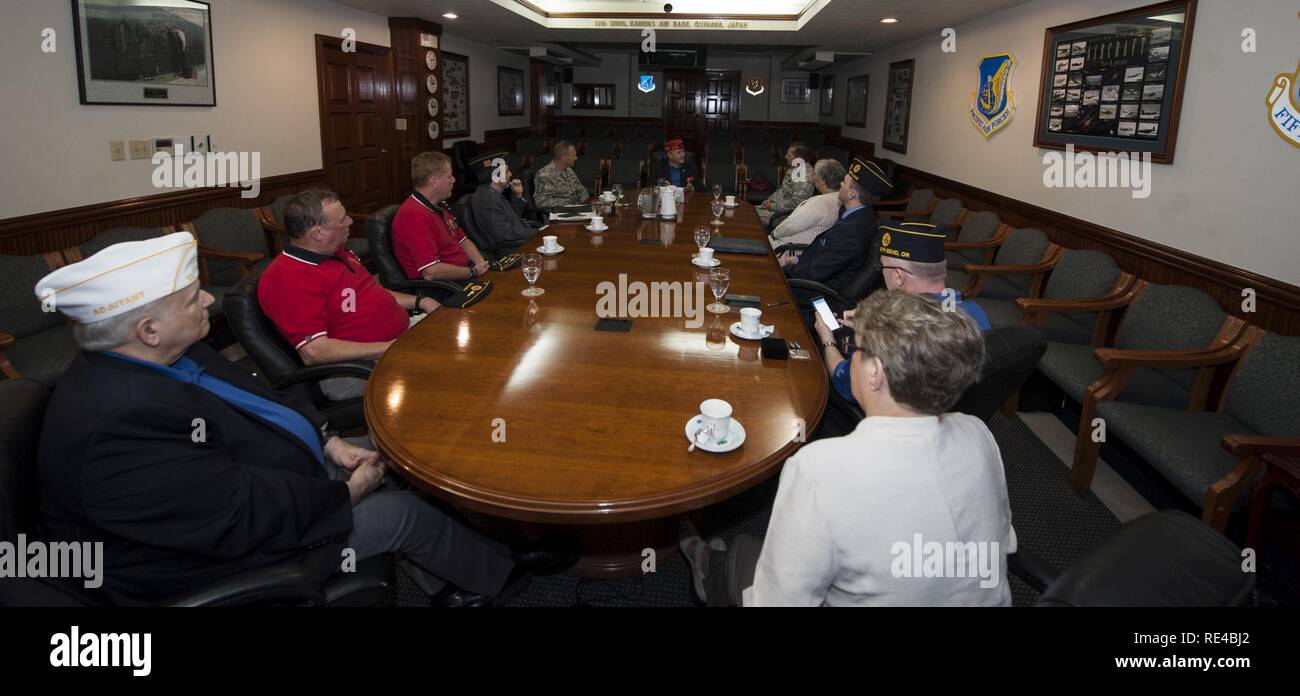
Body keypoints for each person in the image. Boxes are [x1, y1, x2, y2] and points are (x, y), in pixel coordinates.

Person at [34, 233, 569, 606]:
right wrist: (349, 491)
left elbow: (265, 401)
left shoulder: (172, 354)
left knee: (408, 458)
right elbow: (241, 522)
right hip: (233, 561)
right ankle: (497, 578)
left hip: (280, 480)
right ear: (148, 328)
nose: (207, 299)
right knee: (404, 512)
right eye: (189, 297)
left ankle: (454, 575)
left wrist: (330, 441)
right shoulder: (116, 428)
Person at [680, 290, 1016, 606]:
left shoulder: (821, 467)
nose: (850, 356)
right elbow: (1004, 542)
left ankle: (703, 563)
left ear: (875, 373)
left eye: (856, 348)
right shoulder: (979, 434)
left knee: (739, 553)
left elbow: (777, 601)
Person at [258, 188, 442, 401]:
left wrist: (422, 301)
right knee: (451, 376)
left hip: (397, 340)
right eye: (342, 219)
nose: (350, 222)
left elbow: (371, 293)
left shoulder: (335, 251)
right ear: (318, 233)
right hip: (357, 367)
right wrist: (390, 349)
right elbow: (314, 352)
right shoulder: (287, 278)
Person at [817, 221, 994, 409]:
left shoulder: (897, 334)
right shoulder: (977, 314)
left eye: (882, 268)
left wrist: (827, 340)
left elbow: (845, 382)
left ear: (899, 276)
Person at [779, 157, 891, 298]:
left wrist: (783, 269)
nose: (841, 184)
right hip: (808, 277)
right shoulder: (858, 216)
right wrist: (796, 259)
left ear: (852, 194)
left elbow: (814, 274)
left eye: (844, 182)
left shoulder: (852, 232)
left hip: (812, 295)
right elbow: (825, 255)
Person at [391, 151, 492, 282]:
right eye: (449, 176)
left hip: (465, 272)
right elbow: (431, 272)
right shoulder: (413, 215)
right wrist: (472, 272)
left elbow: (463, 241)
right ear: (434, 182)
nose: (454, 180)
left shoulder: (438, 207)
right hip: (446, 286)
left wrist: (481, 266)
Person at [768, 159, 846, 248]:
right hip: (816, 249)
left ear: (822, 181)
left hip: (790, 249)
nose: (812, 177)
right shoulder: (846, 201)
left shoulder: (818, 203)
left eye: (815, 175)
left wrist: (775, 233)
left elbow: (790, 226)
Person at [468, 158, 539, 249]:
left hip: (522, 239)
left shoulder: (492, 193)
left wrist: (518, 195)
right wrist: (539, 232)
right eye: (506, 172)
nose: (510, 174)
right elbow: (505, 235)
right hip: (513, 249)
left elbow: (514, 218)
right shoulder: (487, 200)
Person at [757, 142, 816, 226]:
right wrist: (769, 201)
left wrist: (772, 206)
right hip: (774, 209)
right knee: (745, 211)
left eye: (789, 155)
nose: (785, 157)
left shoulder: (804, 177)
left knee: (748, 215)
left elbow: (797, 203)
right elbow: (782, 190)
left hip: (783, 217)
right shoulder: (794, 168)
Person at [532, 140, 589, 210]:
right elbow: (541, 202)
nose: (576, 158)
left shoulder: (569, 171)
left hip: (574, 210)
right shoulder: (544, 175)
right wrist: (571, 203)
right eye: (573, 155)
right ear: (564, 157)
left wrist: (582, 204)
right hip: (557, 213)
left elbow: (582, 190)